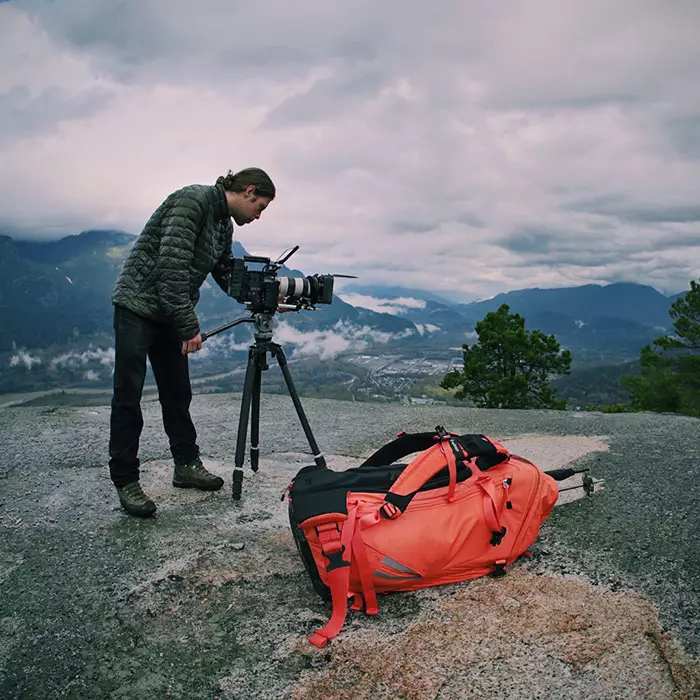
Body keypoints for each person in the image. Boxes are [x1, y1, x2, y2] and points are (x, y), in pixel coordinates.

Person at [108, 168, 276, 517]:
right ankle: (126, 481)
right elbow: (171, 270)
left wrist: (265, 296)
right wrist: (188, 326)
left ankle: (185, 465)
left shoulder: (222, 224)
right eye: (260, 206)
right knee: (129, 395)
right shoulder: (193, 201)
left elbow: (226, 273)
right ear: (247, 192)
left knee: (177, 392)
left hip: (169, 309)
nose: (258, 216)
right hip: (138, 306)